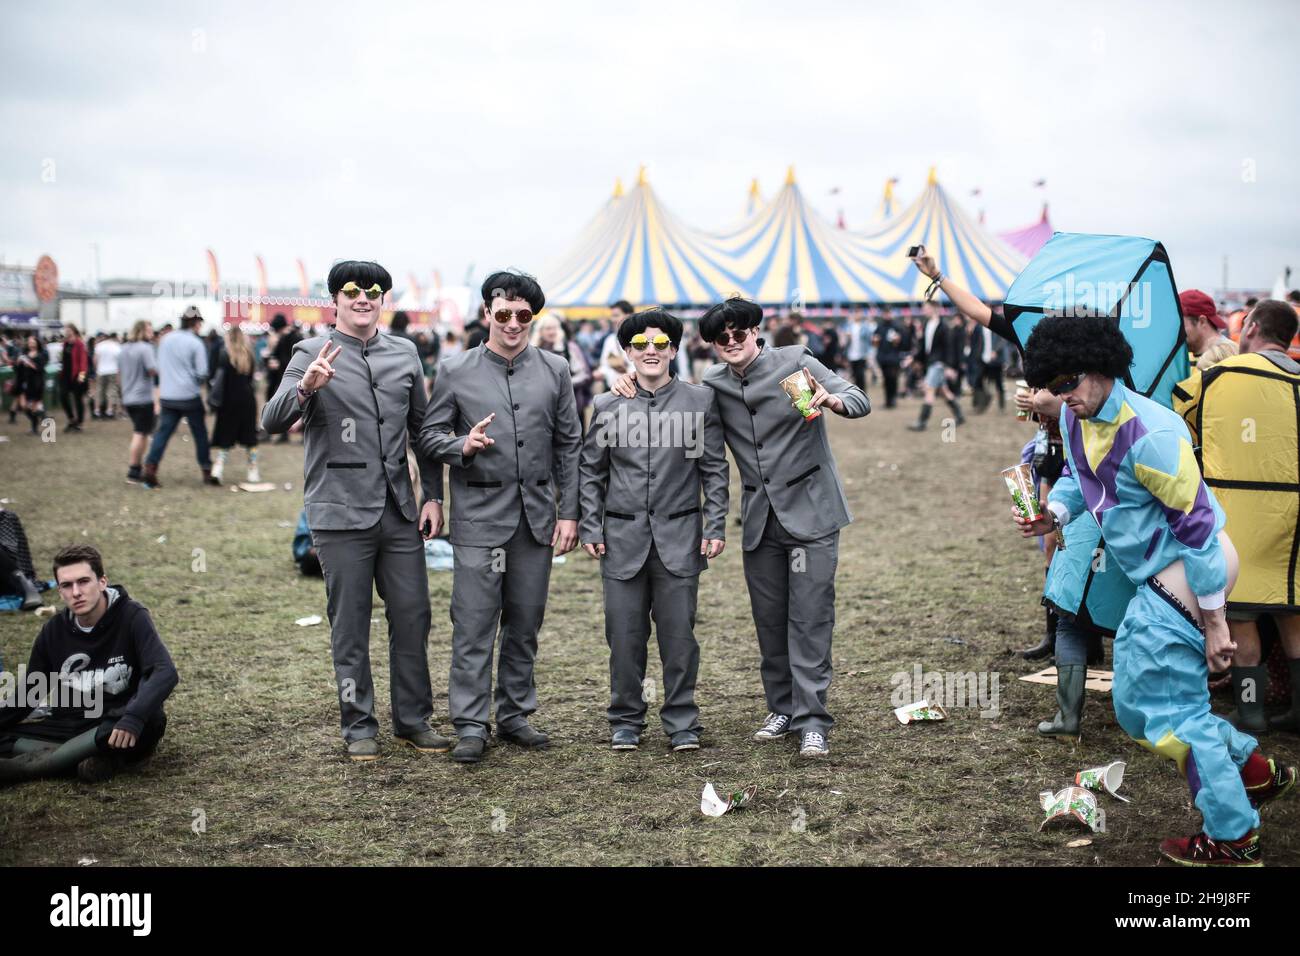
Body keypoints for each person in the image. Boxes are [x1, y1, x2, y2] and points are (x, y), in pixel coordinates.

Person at [1017, 314, 1296, 865]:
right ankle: (1255, 773)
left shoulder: (1153, 432)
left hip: (1194, 570)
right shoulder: (1077, 417)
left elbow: (1195, 527)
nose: (1059, 395)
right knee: (1140, 707)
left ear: (1102, 368)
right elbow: (1079, 479)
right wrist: (1053, 511)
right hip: (1162, 575)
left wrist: (1218, 623)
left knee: (1171, 714)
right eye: (1052, 384)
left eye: (1068, 382)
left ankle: (1234, 836)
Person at [613, 297, 870, 757]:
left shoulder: (796, 359)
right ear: (711, 344)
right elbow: (674, 393)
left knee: (810, 618)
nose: (732, 342)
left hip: (811, 514)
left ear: (756, 330)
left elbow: (857, 397)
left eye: (739, 332)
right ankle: (782, 707)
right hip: (758, 519)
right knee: (769, 621)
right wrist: (630, 378)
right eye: (720, 337)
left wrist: (834, 399)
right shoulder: (713, 383)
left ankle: (813, 719)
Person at [263, 260, 447, 762]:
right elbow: (271, 419)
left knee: (413, 616)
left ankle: (413, 720)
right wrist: (306, 389)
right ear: (336, 300)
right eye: (351, 290)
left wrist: (432, 496)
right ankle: (358, 724)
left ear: (383, 299)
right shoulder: (309, 352)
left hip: (398, 511)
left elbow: (423, 432)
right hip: (338, 512)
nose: (362, 298)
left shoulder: (404, 353)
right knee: (350, 624)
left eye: (373, 290)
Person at [419, 270, 582, 764]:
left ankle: (514, 714)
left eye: (524, 315)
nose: (513, 323)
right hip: (478, 520)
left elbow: (569, 444)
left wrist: (570, 512)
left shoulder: (555, 369)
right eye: (503, 313)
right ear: (487, 314)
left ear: (534, 318)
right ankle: (471, 722)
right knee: (473, 624)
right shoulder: (454, 370)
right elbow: (427, 438)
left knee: (525, 622)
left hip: (536, 519)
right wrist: (460, 445)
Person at [579, 308, 729, 751]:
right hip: (621, 540)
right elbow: (592, 472)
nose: (650, 351)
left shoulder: (700, 402)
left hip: (681, 538)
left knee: (678, 637)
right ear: (626, 351)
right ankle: (625, 718)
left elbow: (714, 469)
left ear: (674, 350)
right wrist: (591, 524)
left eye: (660, 344)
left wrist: (715, 522)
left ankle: (682, 720)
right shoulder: (607, 404)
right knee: (623, 637)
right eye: (640, 345)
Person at [1174, 300, 1300, 735]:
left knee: (1242, 617)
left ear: (1251, 326)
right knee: (1291, 611)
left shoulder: (1222, 376)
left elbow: (1182, 413)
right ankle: (1299, 712)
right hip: (1294, 524)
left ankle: (1251, 713)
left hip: (1244, 516)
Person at [0, 544, 178, 785]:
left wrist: (133, 717)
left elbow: (164, 671)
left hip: (115, 724)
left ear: (102, 582)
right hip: (70, 726)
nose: (76, 592)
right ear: (60, 591)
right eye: (66, 585)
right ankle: (90, 759)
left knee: (150, 720)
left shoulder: (132, 616)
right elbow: (30, 694)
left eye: (83, 581)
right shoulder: (53, 631)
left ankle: (25, 768)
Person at [143, 307, 220, 489]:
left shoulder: (166, 340)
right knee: (200, 434)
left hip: (168, 394)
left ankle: (151, 466)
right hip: (189, 395)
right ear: (196, 323)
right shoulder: (195, 343)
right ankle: (206, 469)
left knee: (162, 434)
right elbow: (202, 373)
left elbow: (159, 367)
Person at [209, 326, 261, 484]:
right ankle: (253, 471)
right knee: (250, 439)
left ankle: (218, 469)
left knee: (225, 438)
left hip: (228, 402)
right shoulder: (249, 356)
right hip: (247, 401)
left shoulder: (224, 355)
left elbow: (215, 379)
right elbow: (252, 380)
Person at [906, 304, 965, 431]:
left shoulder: (943, 327)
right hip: (931, 362)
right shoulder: (927, 324)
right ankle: (959, 415)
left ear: (934, 308)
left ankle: (922, 421)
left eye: (926, 308)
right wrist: (915, 358)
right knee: (944, 391)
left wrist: (949, 366)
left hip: (938, 364)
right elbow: (924, 347)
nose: (923, 310)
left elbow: (949, 348)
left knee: (929, 389)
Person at [119, 321, 159, 484]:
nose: (151, 333)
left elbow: (119, 373)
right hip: (143, 397)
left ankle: (137, 467)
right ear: (141, 331)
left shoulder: (124, 348)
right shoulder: (145, 348)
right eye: (149, 330)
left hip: (128, 396)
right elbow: (152, 370)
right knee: (140, 433)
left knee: (142, 432)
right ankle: (133, 469)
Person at [1181, 289, 1230, 362]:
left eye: (1181, 325)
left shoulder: (1227, 360)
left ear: (1202, 321)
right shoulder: (1188, 358)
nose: (1176, 332)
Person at [12, 336, 48, 436]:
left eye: (33, 342)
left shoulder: (41, 355)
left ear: (37, 343)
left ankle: (35, 427)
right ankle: (40, 418)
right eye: (29, 342)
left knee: (34, 408)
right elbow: (17, 368)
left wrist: (29, 363)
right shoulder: (24, 354)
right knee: (23, 406)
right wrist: (18, 362)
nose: (31, 344)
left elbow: (40, 369)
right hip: (24, 383)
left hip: (36, 384)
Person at [598, 300, 634, 392]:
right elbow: (604, 365)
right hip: (614, 390)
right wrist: (601, 372)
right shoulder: (610, 340)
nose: (613, 319)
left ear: (628, 316)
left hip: (636, 389)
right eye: (612, 316)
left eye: (616, 315)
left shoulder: (641, 339)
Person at [58, 324, 89, 432]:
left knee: (78, 399)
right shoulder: (65, 343)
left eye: (69, 330)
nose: (67, 332)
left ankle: (79, 423)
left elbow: (83, 362)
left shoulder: (80, 344)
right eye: (66, 330)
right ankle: (71, 419)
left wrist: (81, 376)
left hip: (77, 375)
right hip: (66, 375)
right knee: (63, 396)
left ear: (74, 331)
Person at [93, 333, 121, 419]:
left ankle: (97, 411)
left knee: (99, 391)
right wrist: (119, 373)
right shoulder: (116, 346)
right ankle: (109, 411)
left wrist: (96, 369)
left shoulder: (99, 345)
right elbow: (119, 360)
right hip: (113, 371)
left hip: (101, 371)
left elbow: (95, 359)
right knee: (111, 391)